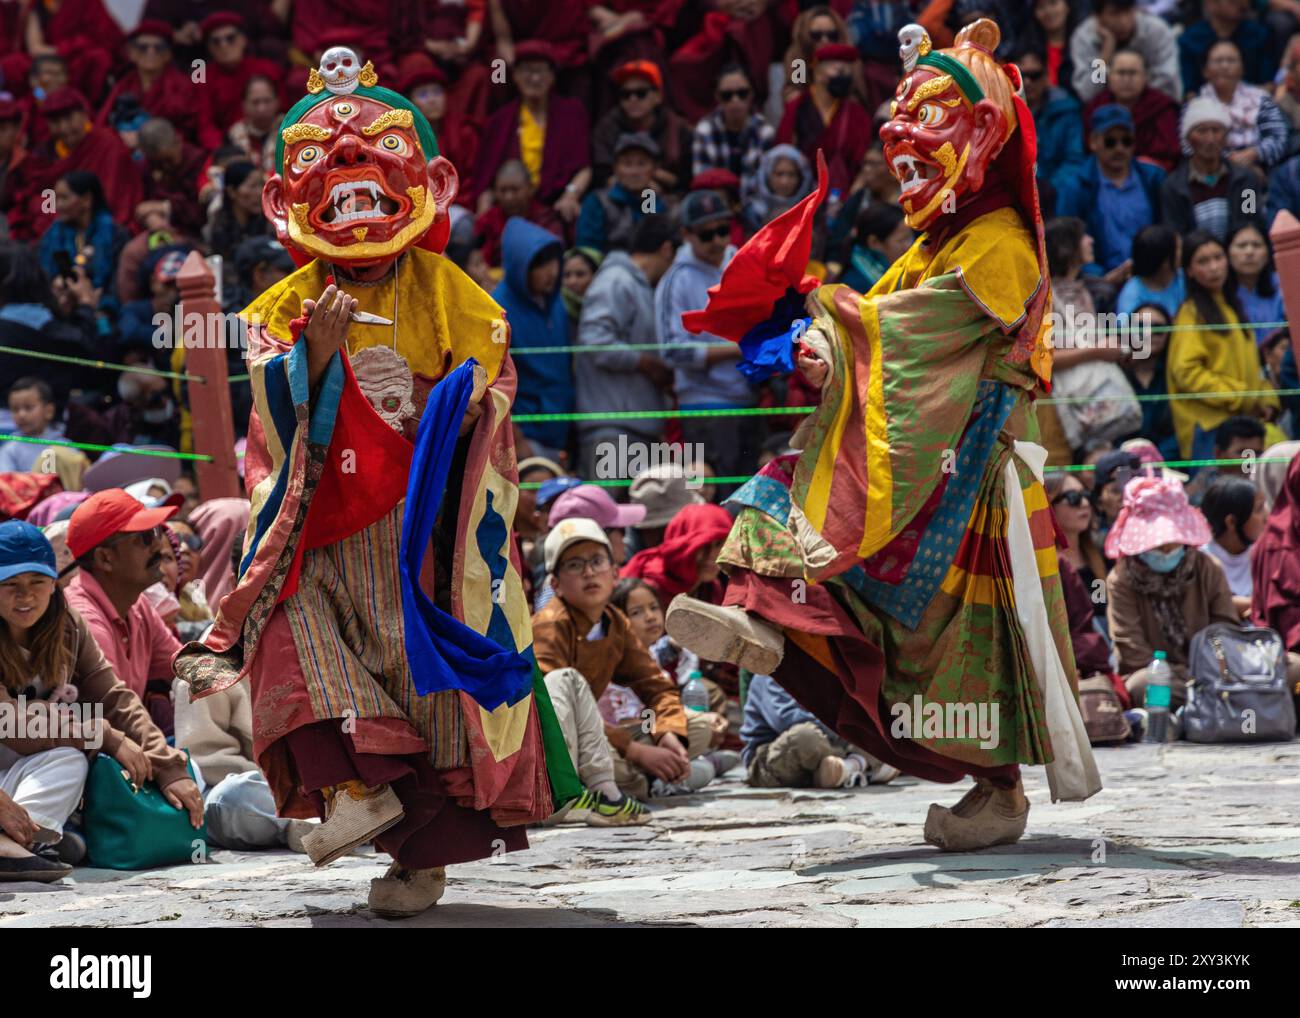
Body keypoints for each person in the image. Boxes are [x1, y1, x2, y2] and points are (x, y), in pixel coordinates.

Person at [667, 20, 1102, 854]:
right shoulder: (933, 243)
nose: (908, 144)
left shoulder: (1002, 243)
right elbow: (875, 315)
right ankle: (769, 615)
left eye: (932, 120)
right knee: (788, 481)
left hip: (973, 473)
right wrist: (817, 339)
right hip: (911, 459)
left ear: (981, 137)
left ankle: (998, 789)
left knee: (959, 640)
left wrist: (833, 319)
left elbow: (905, 328)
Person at [172, 50, 576, 920]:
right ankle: (357, 794)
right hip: (318, 530)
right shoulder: (280, 306)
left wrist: (441, 405)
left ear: (429, 180)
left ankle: (422, 858)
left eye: (377, 158)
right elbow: (272, 424)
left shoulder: (447, 291)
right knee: (284, 628)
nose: (352, 181)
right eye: (326, 165)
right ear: (286, 201)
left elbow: (496, 389)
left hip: (418, 529)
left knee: (425, 693)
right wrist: (317, 361)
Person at [0, 520, 202, 879]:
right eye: (10, 585)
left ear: (54, 583)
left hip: (21, 774)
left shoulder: (68, 627)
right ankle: (25, 842)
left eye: (37, 583)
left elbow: (114, 698)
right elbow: (9, 723)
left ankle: (21, 841)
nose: (25, 596)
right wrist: (105, 736)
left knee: (68, 758)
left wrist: (169, 767)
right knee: (74, 742)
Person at [533, 518, 720, 801]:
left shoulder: (615, 622)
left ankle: (649, 775)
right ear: (555, 584)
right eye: (574, 565)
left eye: (597, 561)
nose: (589, 572)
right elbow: (553, 714)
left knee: (696, 728)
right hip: (563, 739)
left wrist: (666, 733)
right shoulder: (549, 625)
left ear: (615, 573)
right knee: (611, 762)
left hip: (604, 734)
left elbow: (656, 686)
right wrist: (636, 751)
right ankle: (642, 781)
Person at [1105, 476, 1238, 710]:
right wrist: (1177, 673)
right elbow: (1130, 646)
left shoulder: (1207, 568)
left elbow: (1224, 629)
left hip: (1211, 671)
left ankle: (1206, 702)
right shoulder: (1121, 579)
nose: (1166, 551)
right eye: (1158, 545)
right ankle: (1209, 704)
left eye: (1172, 542)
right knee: (1143, 685)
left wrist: (1207, 668)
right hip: (1155, 675)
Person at [654, 189, 758, 486]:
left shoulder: (740, 261)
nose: (717, 241)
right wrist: (736, 349)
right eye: (706, 234)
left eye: (722, 230)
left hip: (747, 399)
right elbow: (671, 351)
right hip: (704, 406)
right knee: (718, 494)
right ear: (686, 234)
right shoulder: (676, 279)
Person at [574, 215, 675, 481]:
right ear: (666, 250)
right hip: (613, 428)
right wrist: (646, 363)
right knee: (605, 518)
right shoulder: (616, 281)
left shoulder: (636, 285)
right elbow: (595, 341)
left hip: (634, 428)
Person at [1167, 231, 1280, 459]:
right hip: (1211, 428)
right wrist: (1243, 397)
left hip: (1242, 422)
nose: (1214, 267)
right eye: (1203, 261)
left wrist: (1267, 399)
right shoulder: (1191, 314)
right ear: (1189, 270)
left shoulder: (1231, 307)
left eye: (1218, 258)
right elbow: (1186, 372)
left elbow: (1253, 366)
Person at [468, 41, 590, 225]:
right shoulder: (500, 121)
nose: (534, 78)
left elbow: (585, 167)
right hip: (509, 209)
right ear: (515, 75)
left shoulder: (571, 113)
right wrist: (483, 210)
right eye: (527, 71)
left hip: (554, 207)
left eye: (540, 71)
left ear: (552, 76)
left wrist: (570, 195)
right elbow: (486, 179)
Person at [492, 217, 573, 463]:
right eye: (540, 264)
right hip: (525, 438)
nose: (551, 271)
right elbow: (494, 384)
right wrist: (517, 439)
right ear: (520, 267)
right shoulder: (499, 311)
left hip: (560, 432)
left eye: (553, 261)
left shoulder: (556, 304)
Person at [11, 89, 143, 238]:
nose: (64, 128)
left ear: (84, 115)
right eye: (55, 122)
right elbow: (39, 196)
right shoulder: (44, 154)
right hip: (58, 220)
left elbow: (112, 196)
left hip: (100, 225)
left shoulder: (107, 144)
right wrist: (53, 211)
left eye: (68, 119)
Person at [1055, 104, 1163, 275]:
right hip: (1100, 284)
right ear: (1093, 142)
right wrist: (1101, 279)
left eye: (1126, 141)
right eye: (1110, 142)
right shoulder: (1075, 187)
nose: (1119, 148)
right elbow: (1066, 242)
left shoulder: (1154, 178)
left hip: (1152, 277)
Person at [742, 672, 896, 788]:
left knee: (873, 728)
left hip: (827, 741)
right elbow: (786, 720)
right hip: (775, 757)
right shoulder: (770, 674)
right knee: (805, 736)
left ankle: (842, 769)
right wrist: (840, 731)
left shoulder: (821, 671)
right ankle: (858, 766)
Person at [1161, 96, 1265, 242]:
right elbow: (1175, 233)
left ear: (1226, 137)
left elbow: (1251, 221)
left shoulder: (1246, 181)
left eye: (1216, 130)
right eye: (1201, 131)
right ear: (1188, 138)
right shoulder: (1173, 187)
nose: (1210, 139)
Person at [775, 43, 872, 196]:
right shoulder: (798, 106)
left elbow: (861, 160)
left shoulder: (856, 113)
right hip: (800, 192)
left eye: (847, 71)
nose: (843, 76)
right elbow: (784, 147)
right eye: (838, 70)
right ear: (818, 72)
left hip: (840, 193)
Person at [94, 20, 211, 147]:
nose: (151, 52)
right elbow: (102, 124)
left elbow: (188, 129)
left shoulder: (183, 86)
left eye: (159, 47)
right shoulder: (123, 85)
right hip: (124, 146)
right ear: (131, 53)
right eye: (143, 47)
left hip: (165, 148)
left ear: (168, 54)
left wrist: (148, 139)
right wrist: (119, 137)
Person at [591, 59, 692, 191]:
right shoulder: (606, 128)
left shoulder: (678, 128)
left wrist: (650, 182)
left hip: (666, 198)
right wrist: (639, 181)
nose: (633, 99)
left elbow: (686, 179)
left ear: (658, 96)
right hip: (617, 198)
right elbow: (601, 175)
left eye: (641, 93)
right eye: (625, 94)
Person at [1198, 40, 1291, 176]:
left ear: (1242, 69)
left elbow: (1279, 137)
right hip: (1211, 172)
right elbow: (1187, 147)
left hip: (1259, 168)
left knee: (1250, 189)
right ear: (1205, 71)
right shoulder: (1196, 106)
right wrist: (1229, 162)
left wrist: (1255, 153)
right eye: (1218, 61)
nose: (1225, 66)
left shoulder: (1261, 99)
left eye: (1231, 61)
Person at [1081, 48, 1179, 171]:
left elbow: (1170, 155)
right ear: (1109, 76)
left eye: (1133, 73)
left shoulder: (1161, 107)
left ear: (1145, 77)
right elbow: (1087, 150)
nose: (1126, 79)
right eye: (1121, 73)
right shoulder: (1096, 106)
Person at [1070, 0, 1181, 103]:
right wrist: (1104, 57)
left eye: (1127, 12)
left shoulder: (1157, 31)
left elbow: (1168, 84)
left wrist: (1130, 96)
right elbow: (1089, 94)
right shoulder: (1084, 37)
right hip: (1107, 112)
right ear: (1098, 17)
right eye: (1115, 14)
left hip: (1149, 107)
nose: (1123, 21)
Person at [692, 63, 775, 198]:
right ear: (717, 97)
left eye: (742, 94)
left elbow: (766, 183)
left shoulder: (765, 132)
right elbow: (703, 181)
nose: (735, 100)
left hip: (755, 206)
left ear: (751, 94)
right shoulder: (704, 130)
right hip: (716, 205)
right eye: (727, 95)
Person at [575, 132, 665, 253]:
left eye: (642, 164)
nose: (634, 172)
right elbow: (587, 251)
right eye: (627, 164)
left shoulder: (656, 202)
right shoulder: (597, 202)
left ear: (654, 169)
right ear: (616, 168)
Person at [1017, 49, 1085, 201]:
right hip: (1020, 191)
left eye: (1035, 76)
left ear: (1047, 77)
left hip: (1057, 190)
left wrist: (1050, 188)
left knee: (1072, 185)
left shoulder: (1067, 112)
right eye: (1022, 76)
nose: (1027, 82)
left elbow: (1074, 159)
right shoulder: (1004, 114)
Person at [474, 161, 563, 268]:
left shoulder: (546, 218)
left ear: (530, 189)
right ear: (495, 192)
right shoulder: (488, 219)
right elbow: (475, 256)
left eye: (514, 190)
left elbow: (553, 258)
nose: (509, 197)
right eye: (503, 190)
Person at [1044, 471, 1108, 618]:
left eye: (1086, 495)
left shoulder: (1099, 551)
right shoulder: (1044, 565)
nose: (1085, 504)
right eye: (1074, 498)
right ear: (1049, 506)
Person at [1200, 473, 1266, 614]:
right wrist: (1260, 604)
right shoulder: (1202, 562)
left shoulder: (1265, 555)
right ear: (1231, 522)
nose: (1266, 517)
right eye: (1259, 509)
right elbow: (1207, 603)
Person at [1179, 0, 1278, 93]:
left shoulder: (1260, 35)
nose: (1240, 2)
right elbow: (1189, 91)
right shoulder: (1190, 39)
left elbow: (1268, 85)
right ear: (1210, 4)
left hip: (1252, 104)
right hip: (1204, 105)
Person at [1226, 224, 1286, 344]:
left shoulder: (1282, 285)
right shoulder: (1219, 290)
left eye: (1257, 245)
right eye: (1241, 246)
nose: (1249, 252)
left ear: (1268, 252)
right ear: (1227, 253)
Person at [741, 143, 813, 234]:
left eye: (791, 174)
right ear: (766, 175)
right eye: (779, 174)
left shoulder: (811, 210)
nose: (785, 181)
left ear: (801, 178)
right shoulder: (751, 214)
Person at [840, 203, 911, 294]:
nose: (909, 245)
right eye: (901, 240)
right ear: (874, 242)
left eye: (909, 237)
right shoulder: (855, 288)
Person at [1116, 225, 1185, 318]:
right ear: (1165, 261)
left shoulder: (1184, 278)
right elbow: (1126, 329)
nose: (1184, 252)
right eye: (1178, 249)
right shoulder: (1131, 295)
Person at [0, 378, 63, 474]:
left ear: (49, 411)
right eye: (15, 409)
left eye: (28, 407)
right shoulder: (10, 450)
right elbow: (6, 484)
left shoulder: (66, 447)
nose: (21, 415)